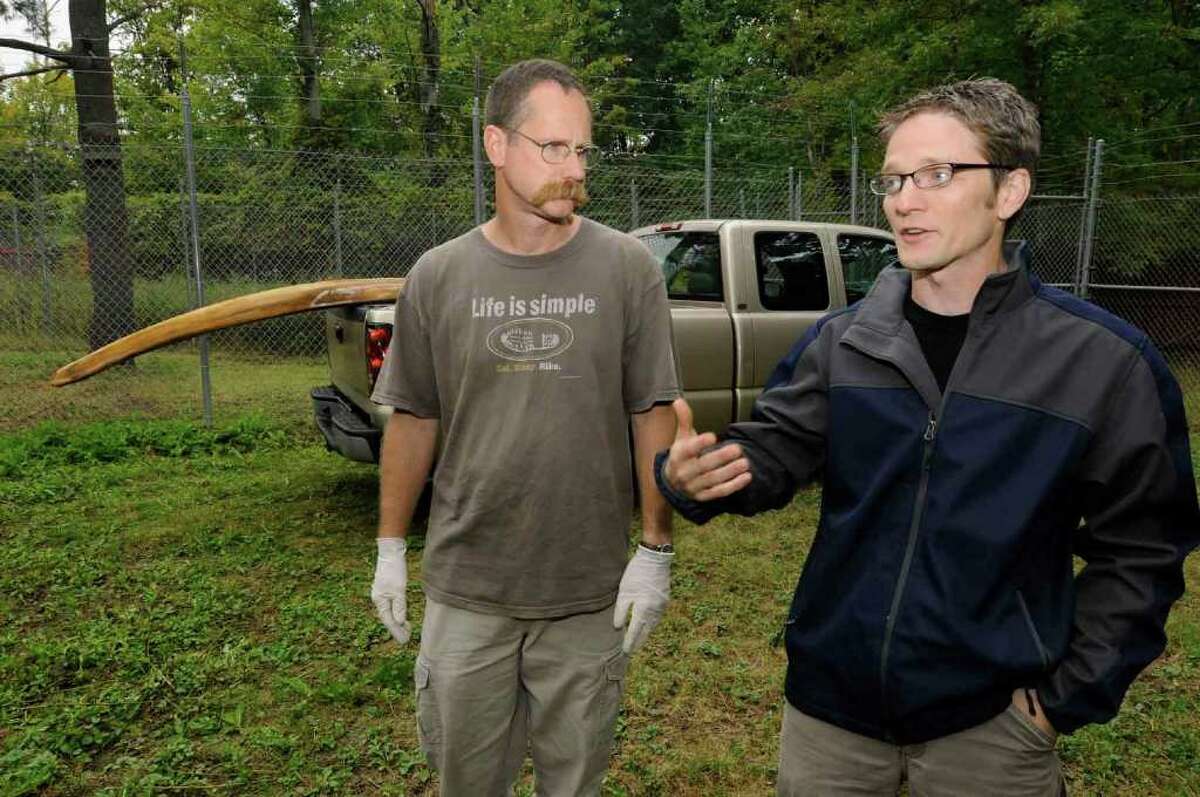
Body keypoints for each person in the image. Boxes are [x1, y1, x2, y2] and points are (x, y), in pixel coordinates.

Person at [656, 78, 1200, 796]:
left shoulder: (1104, 363)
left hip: (991, 737)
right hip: (830, 724)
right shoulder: (842, 344)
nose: (902, 200)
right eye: (893, 179)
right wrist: (699, 475)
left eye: (936, 175)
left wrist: (1062, 700)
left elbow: (1144, 550)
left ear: (1008, 192)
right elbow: (774, 450)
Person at [368, 59, 680, 796]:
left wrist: (656, 550)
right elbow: (414, 418)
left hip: (585, 593)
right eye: (552, 148)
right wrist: (388, 547)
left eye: (582, 151)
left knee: (573, 783)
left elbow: (654, 413)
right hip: (468, 589)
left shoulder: (627, 270)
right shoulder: (438, 276)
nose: (572, 169)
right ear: (496, 145)